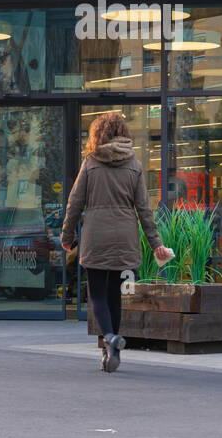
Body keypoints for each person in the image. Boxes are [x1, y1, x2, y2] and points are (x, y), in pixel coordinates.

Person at [61, 111, 169, 372]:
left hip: (96, 235)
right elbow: (144, 209)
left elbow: (75, 202)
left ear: (97, 134)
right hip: (125, 236)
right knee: (115, 296)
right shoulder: (135, 165)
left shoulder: (90, 162)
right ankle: (111, 348)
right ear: (124, 134)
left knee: (96, 293)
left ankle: (109, 337)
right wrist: (156, 243)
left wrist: (67, 236)